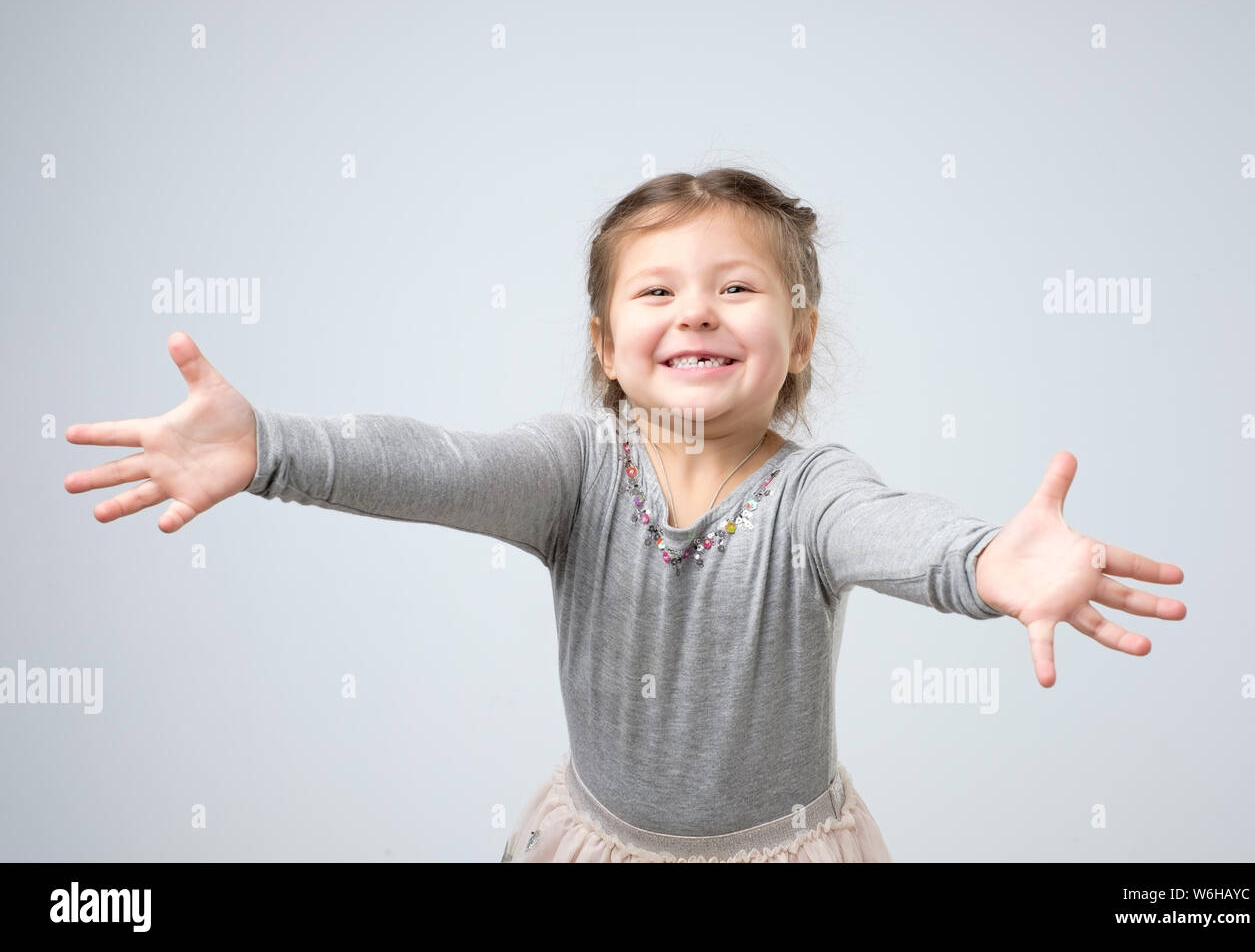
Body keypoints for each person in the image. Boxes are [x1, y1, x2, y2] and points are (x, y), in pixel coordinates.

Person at [63, 167, 1187, 862]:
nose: (695, 307)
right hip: (595, 841)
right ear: (607, 345)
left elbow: (895, 531)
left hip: (784, 850)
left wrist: (988, 559)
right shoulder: (573, 469)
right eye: (656, 290)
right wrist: (273, 447)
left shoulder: (813, 491)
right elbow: (435, 464)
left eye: (736, 286)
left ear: (796, 339)